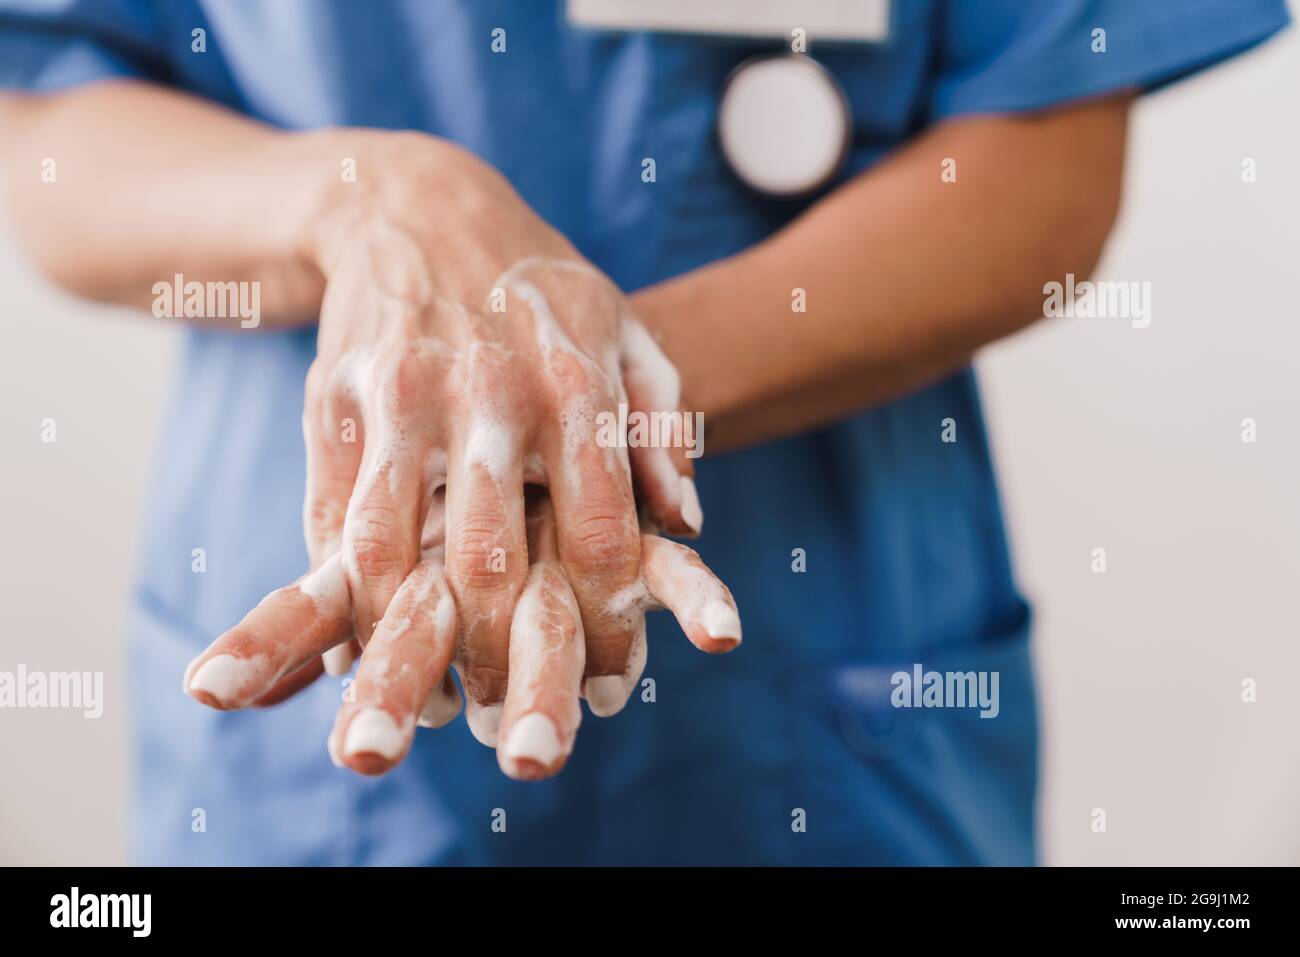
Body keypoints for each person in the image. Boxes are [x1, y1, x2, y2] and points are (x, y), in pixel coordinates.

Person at [0, 0, 1288, 866]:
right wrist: (373, 201)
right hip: (320, 658)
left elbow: (1038, 171)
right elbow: (53, 137)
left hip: (826, 652)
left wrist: (555, 406)